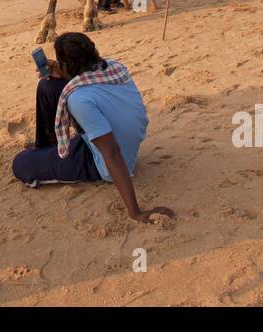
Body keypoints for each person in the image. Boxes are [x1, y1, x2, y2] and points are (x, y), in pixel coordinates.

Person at [11, 32, 173, 223]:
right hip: (118, 139)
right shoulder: (114, 67)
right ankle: (46, 149)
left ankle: (48, 158)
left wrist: (135, 212)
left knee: (21, 164)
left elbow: (111, 152)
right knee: (48, 87)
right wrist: (59, 70)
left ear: (68, 66)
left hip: (106, 163)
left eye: (61, 62)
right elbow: (79, 80)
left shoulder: (79, 99)